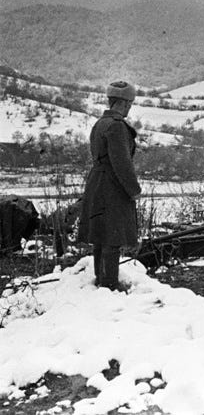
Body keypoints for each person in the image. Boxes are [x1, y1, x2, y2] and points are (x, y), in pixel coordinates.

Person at [77, 81, 140, 290]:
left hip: (97, 182)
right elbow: (122, 163)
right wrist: (134, 189)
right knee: (113, 236)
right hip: (112, 186)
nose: (129, 107)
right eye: (129, 103)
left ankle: (101, 279)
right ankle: (110, 285)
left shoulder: (100, 124)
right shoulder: (117, 126)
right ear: (122, 103)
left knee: (101, 235)